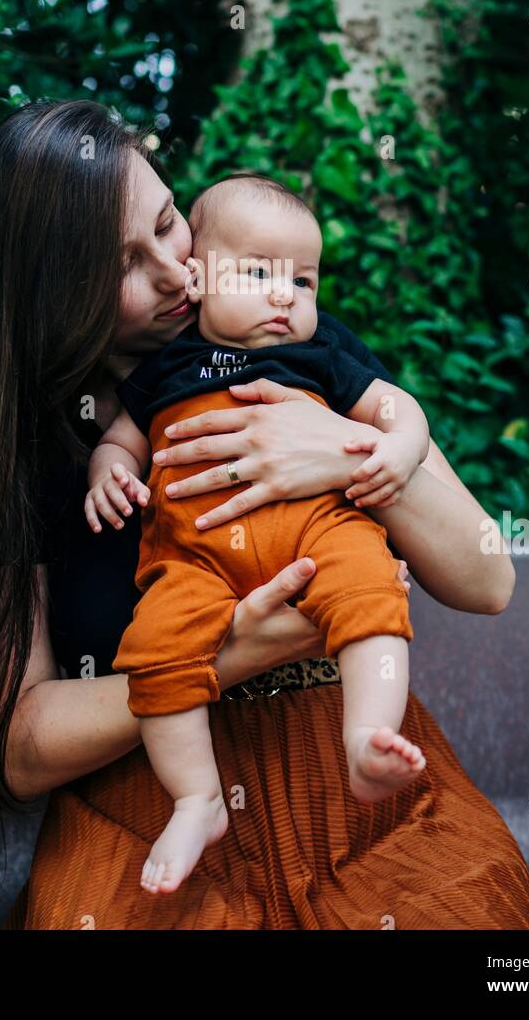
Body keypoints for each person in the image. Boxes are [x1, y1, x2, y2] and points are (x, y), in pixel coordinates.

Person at [0, 98, 529, 929]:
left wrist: (339, 446)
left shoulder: (295, 345)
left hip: (357, 802)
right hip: (154, 819)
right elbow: (19, 752)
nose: (175, 271)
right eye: (122, 265)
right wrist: (232, 653)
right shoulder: (22, 454)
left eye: (168, 223)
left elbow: (488, 577)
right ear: (53, 298)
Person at [86, 172, 429, 893]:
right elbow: (121, 440)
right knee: (156, 648)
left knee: (371, 589)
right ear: (200, 281)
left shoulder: (320, 355)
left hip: (318, 532)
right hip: (193, 557)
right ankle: (196, 797)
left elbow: (397, 408)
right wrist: (108, 471)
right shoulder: (161, 367)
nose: (285, 296)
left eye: (303, 282)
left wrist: (397, 449)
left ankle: (366, 735)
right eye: (260, 274)